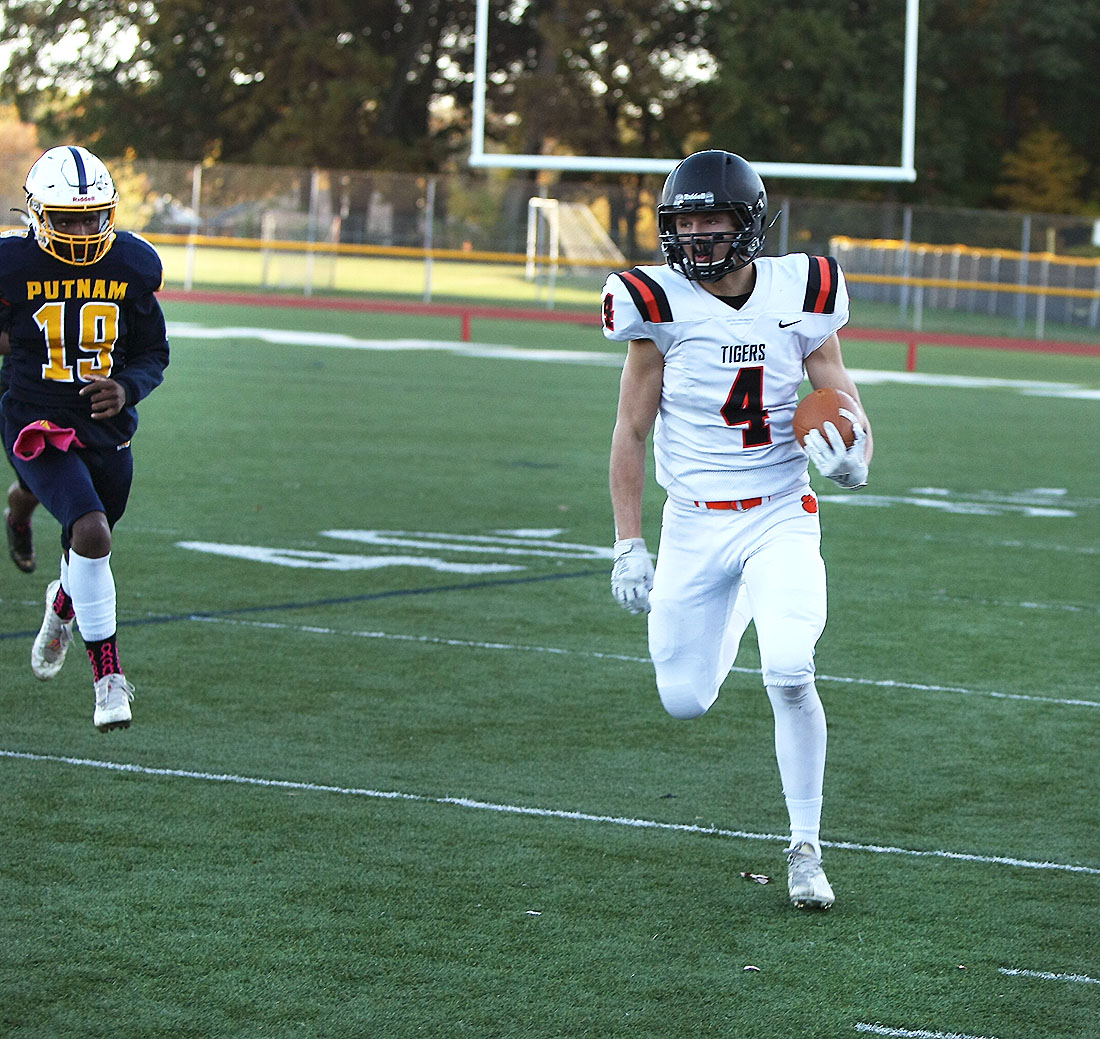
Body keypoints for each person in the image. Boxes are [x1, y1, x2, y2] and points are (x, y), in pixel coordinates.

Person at [603, 150, 873, 910]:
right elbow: (629, 431)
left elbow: (840, 390)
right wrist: (629, 541)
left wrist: (856, 458)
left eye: (711, 219)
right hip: (692, 524)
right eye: (683, 222)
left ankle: (805, 848)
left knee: (789, 669)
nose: (696, 237)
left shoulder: (801, 290)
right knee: (684, 697)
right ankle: (743, 601)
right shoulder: (654, 303)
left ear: (748, 222)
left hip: (781, 512)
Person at [0, 145, 170, 731]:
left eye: (90, 216)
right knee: (93, 534)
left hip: (106, 427)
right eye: (65, 217)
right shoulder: (12, 264)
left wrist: (126, 387)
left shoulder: (130, 263)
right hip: (36, 419)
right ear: (37, 214)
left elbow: (154, 352)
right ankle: (108, 683)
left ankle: (61, 606)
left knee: (85, 550)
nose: (79, 229)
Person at [1, 330, 41, 572]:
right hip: (23, 391)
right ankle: (18, 521)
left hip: (83, 390)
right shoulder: (15, 290)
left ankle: (70, 593)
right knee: (34, 484)